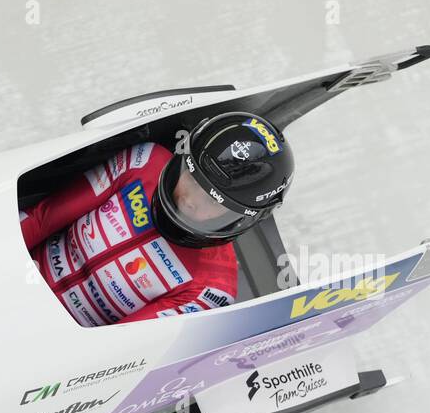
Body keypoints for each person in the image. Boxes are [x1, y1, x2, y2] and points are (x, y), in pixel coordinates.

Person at [21, 112, 294, 326]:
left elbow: (116, 346)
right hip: (15, 275)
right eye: (192, 180)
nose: (190, 200)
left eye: (212, 201)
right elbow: (40, 218)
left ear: (241, 218)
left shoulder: (211, 287)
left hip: (52, 340)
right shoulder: (143, 162)